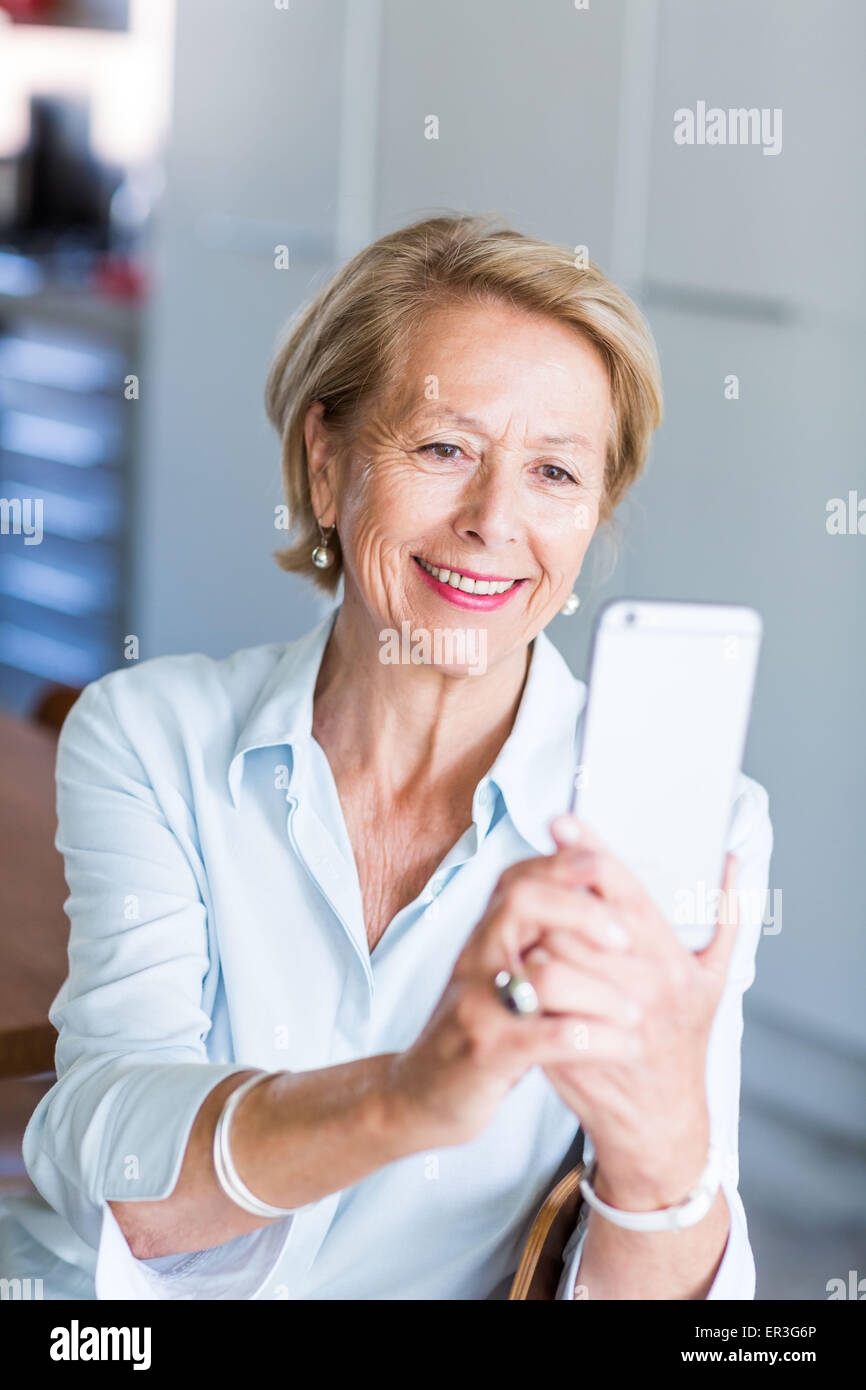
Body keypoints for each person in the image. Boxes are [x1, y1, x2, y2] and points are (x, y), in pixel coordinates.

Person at [0, 213, 772, 1300]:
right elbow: (112, 1174)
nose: (494, 519)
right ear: (326, 463)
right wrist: (403, 1100)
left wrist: (661, 1148)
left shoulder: (690, 822)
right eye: (444, 447)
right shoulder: (148, 736)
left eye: (554, 472)